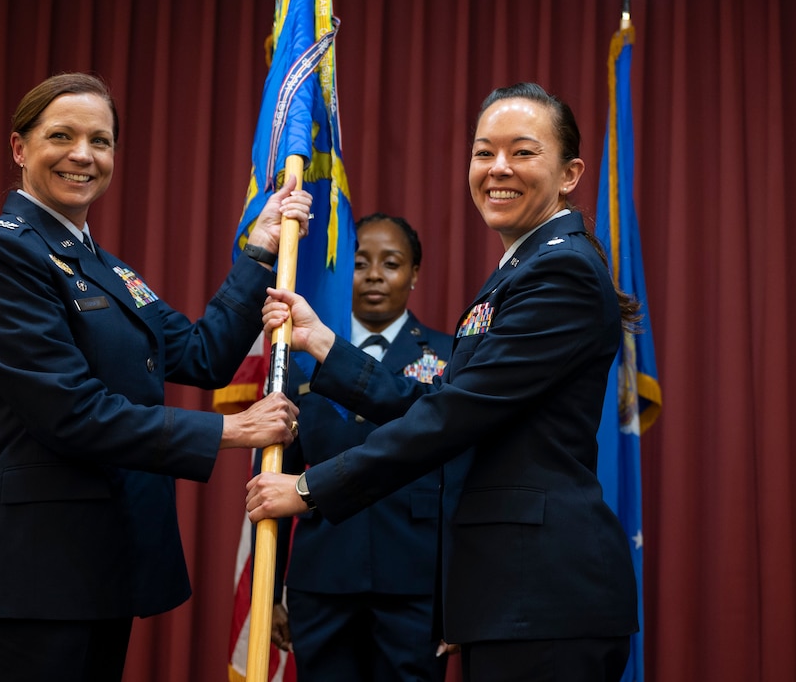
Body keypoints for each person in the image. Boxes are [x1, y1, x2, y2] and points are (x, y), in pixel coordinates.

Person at [246, 82, 640, 682]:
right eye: (484, 152)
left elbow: (451, 417)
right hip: (510, 593)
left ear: (570, 174)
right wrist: (323, 344)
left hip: (544, 595)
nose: (497, 168)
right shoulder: (528, 266)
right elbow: (440, 403)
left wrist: (309, 490)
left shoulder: (559, 269)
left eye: (523, 152)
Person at [0, 72, 308, 682]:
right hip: (31, 575)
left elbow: (199, 354)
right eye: (62, 136)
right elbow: (70, 412)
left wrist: (260, 250)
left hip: (99, 568)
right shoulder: (3, 255)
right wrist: (230, 432)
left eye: (101, 140)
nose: (83, 155)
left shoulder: (103, 267)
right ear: (19, 149)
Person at [269, 213, 463, 682]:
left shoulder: (450, 356)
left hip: (415, 583)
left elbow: (463, 483)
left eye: (391, 263)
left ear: (415, 274)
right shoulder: (299, 359)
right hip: (323, 579)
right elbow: (274, 481)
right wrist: (271, 591)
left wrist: (460, 595)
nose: (374, 274)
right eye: (360, 263)